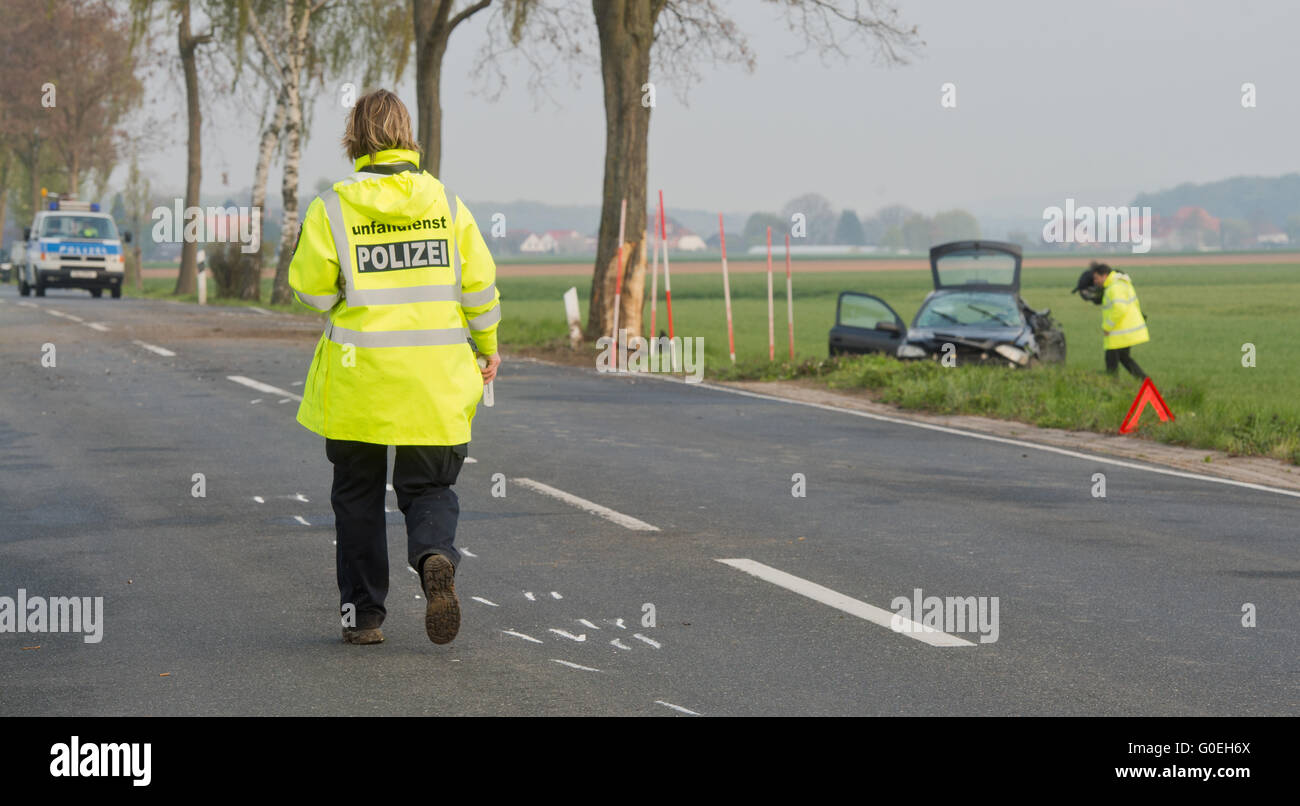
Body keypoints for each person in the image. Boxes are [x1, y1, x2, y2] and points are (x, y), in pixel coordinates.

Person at [288, 89, 501, 646]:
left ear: (353, 138)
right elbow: (480, 289)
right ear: (408, 135)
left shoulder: (332, 206)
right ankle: (434, 555)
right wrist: (488, 347)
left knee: (357, 494)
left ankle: (363, 619)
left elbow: (309, 292)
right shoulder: (447, 205)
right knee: (429, 485)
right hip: (435, 382)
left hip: (361, 383)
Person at [1073, 261, 1147, 379]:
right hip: (1123, 330)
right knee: (1124, 358)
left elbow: (1119, 308)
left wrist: (1107, 326)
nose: (1095, 282)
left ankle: (1112, 387)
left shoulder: (1115, 287)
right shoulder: (1117, 284)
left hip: (1119, 331)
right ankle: (1145, 382)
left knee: (1112, 363)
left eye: (1096, 278)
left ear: (1104, 275)